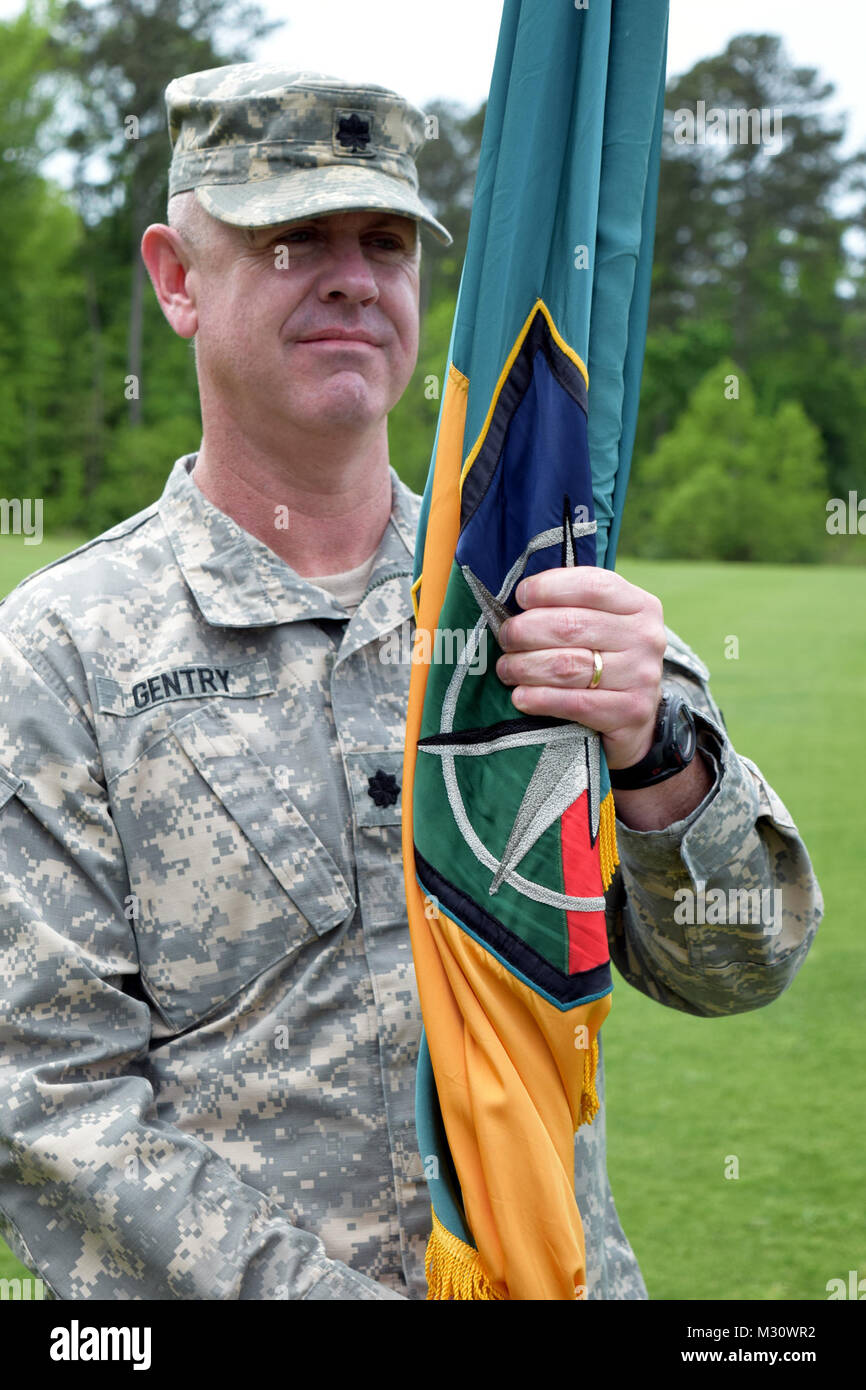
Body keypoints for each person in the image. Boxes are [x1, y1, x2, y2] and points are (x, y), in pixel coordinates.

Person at [0, 64, 822, 1301]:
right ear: (176, 277)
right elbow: (48, 1113)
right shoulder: (58, 657)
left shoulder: (536, 594)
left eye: (383, 240)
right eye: (288, 239)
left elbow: (741, 963)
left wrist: (656, 750)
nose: (347, 275)